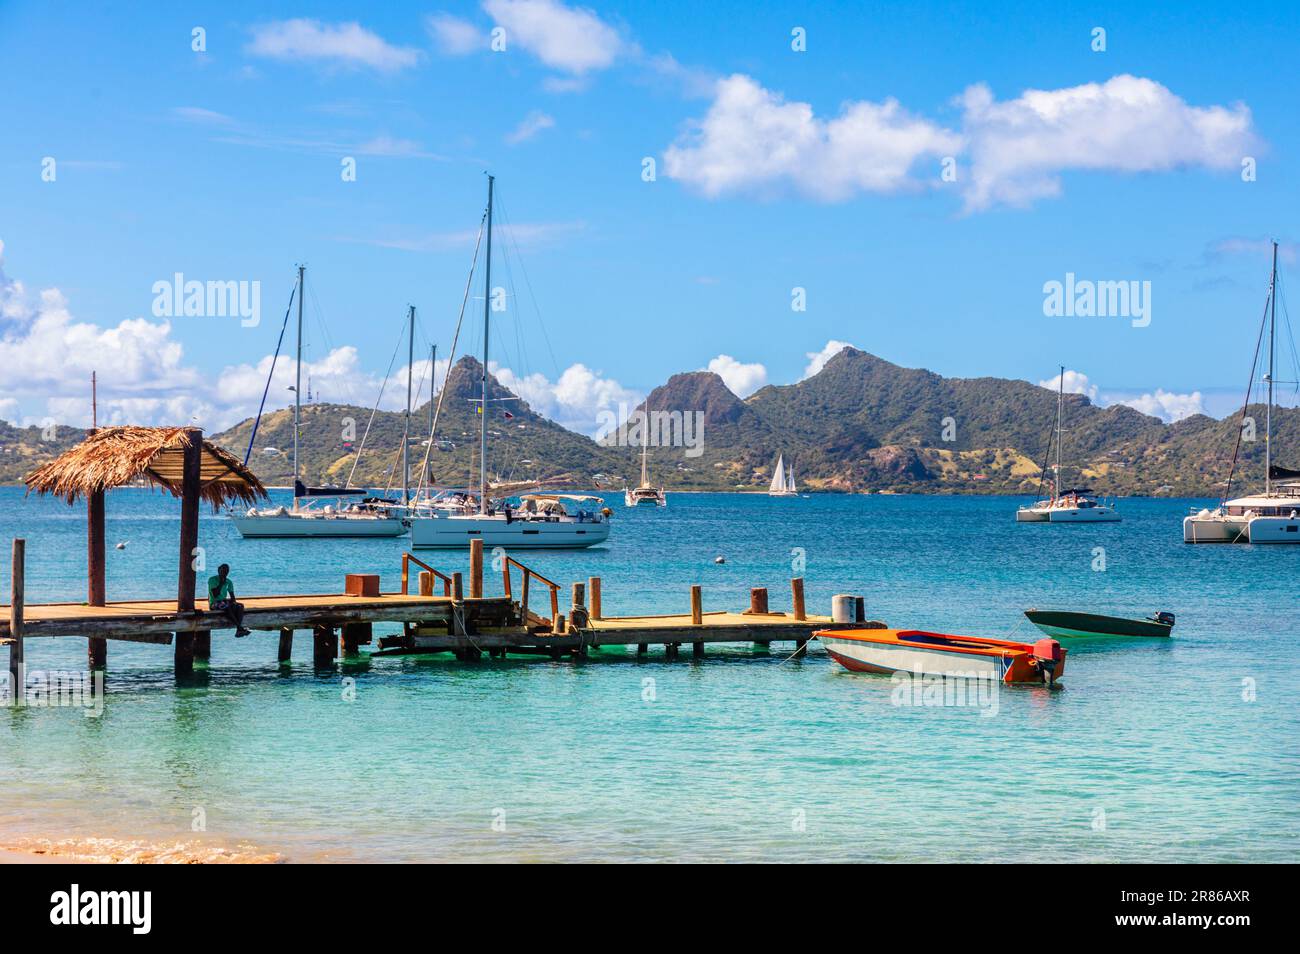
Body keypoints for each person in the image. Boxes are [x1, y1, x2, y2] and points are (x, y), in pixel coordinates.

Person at [208, 564, 251, 637]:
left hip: (223, 601)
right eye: (222, 570)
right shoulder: (212, 580)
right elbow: (215, 594)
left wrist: (233, 602)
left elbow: (232, 596)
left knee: (240, 606)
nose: (224, 573)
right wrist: (221, 583)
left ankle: (238, 630)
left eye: (226, 571)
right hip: (214, 603)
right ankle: (239, 627)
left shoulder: (229, 582)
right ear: (218, 570)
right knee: (227, 607)